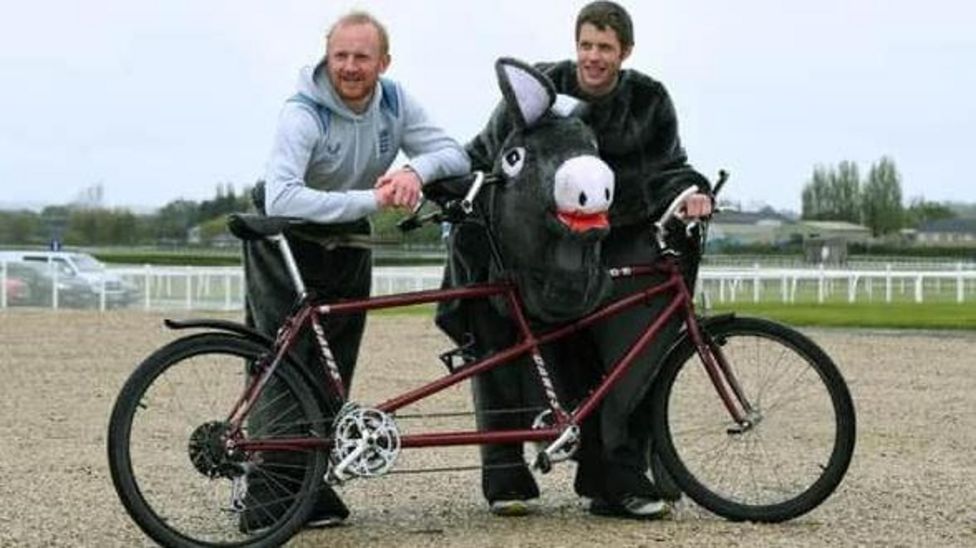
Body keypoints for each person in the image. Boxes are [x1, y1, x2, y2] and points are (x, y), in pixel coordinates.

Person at [447, 1, 712, 519]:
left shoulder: (650, 99)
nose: (593, 57)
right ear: (576, 46)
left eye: (605, 48)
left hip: (617, 237)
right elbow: (486, 150)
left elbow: (670, 167)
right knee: (500, 338)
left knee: (627, 353)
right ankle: (505, 476)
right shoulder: (541, 87)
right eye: (586, 45)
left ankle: (613, 476)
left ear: (625, 53)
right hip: (537, 245)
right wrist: (451, 185)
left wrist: (692, 192)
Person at [243, 10, 469, 531]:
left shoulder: (395, 102)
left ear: (383, 63)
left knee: (334, 360)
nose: (349, 67)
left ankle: (310, 487)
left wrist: (414, 171)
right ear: (327, 56)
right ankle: (267, 497)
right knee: (283, 355)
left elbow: (452, 154)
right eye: (340, 55)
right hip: (287, 231)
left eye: (361, 57)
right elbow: (282, 195)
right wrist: (373, 197)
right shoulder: (303, 112)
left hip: (346, 234)